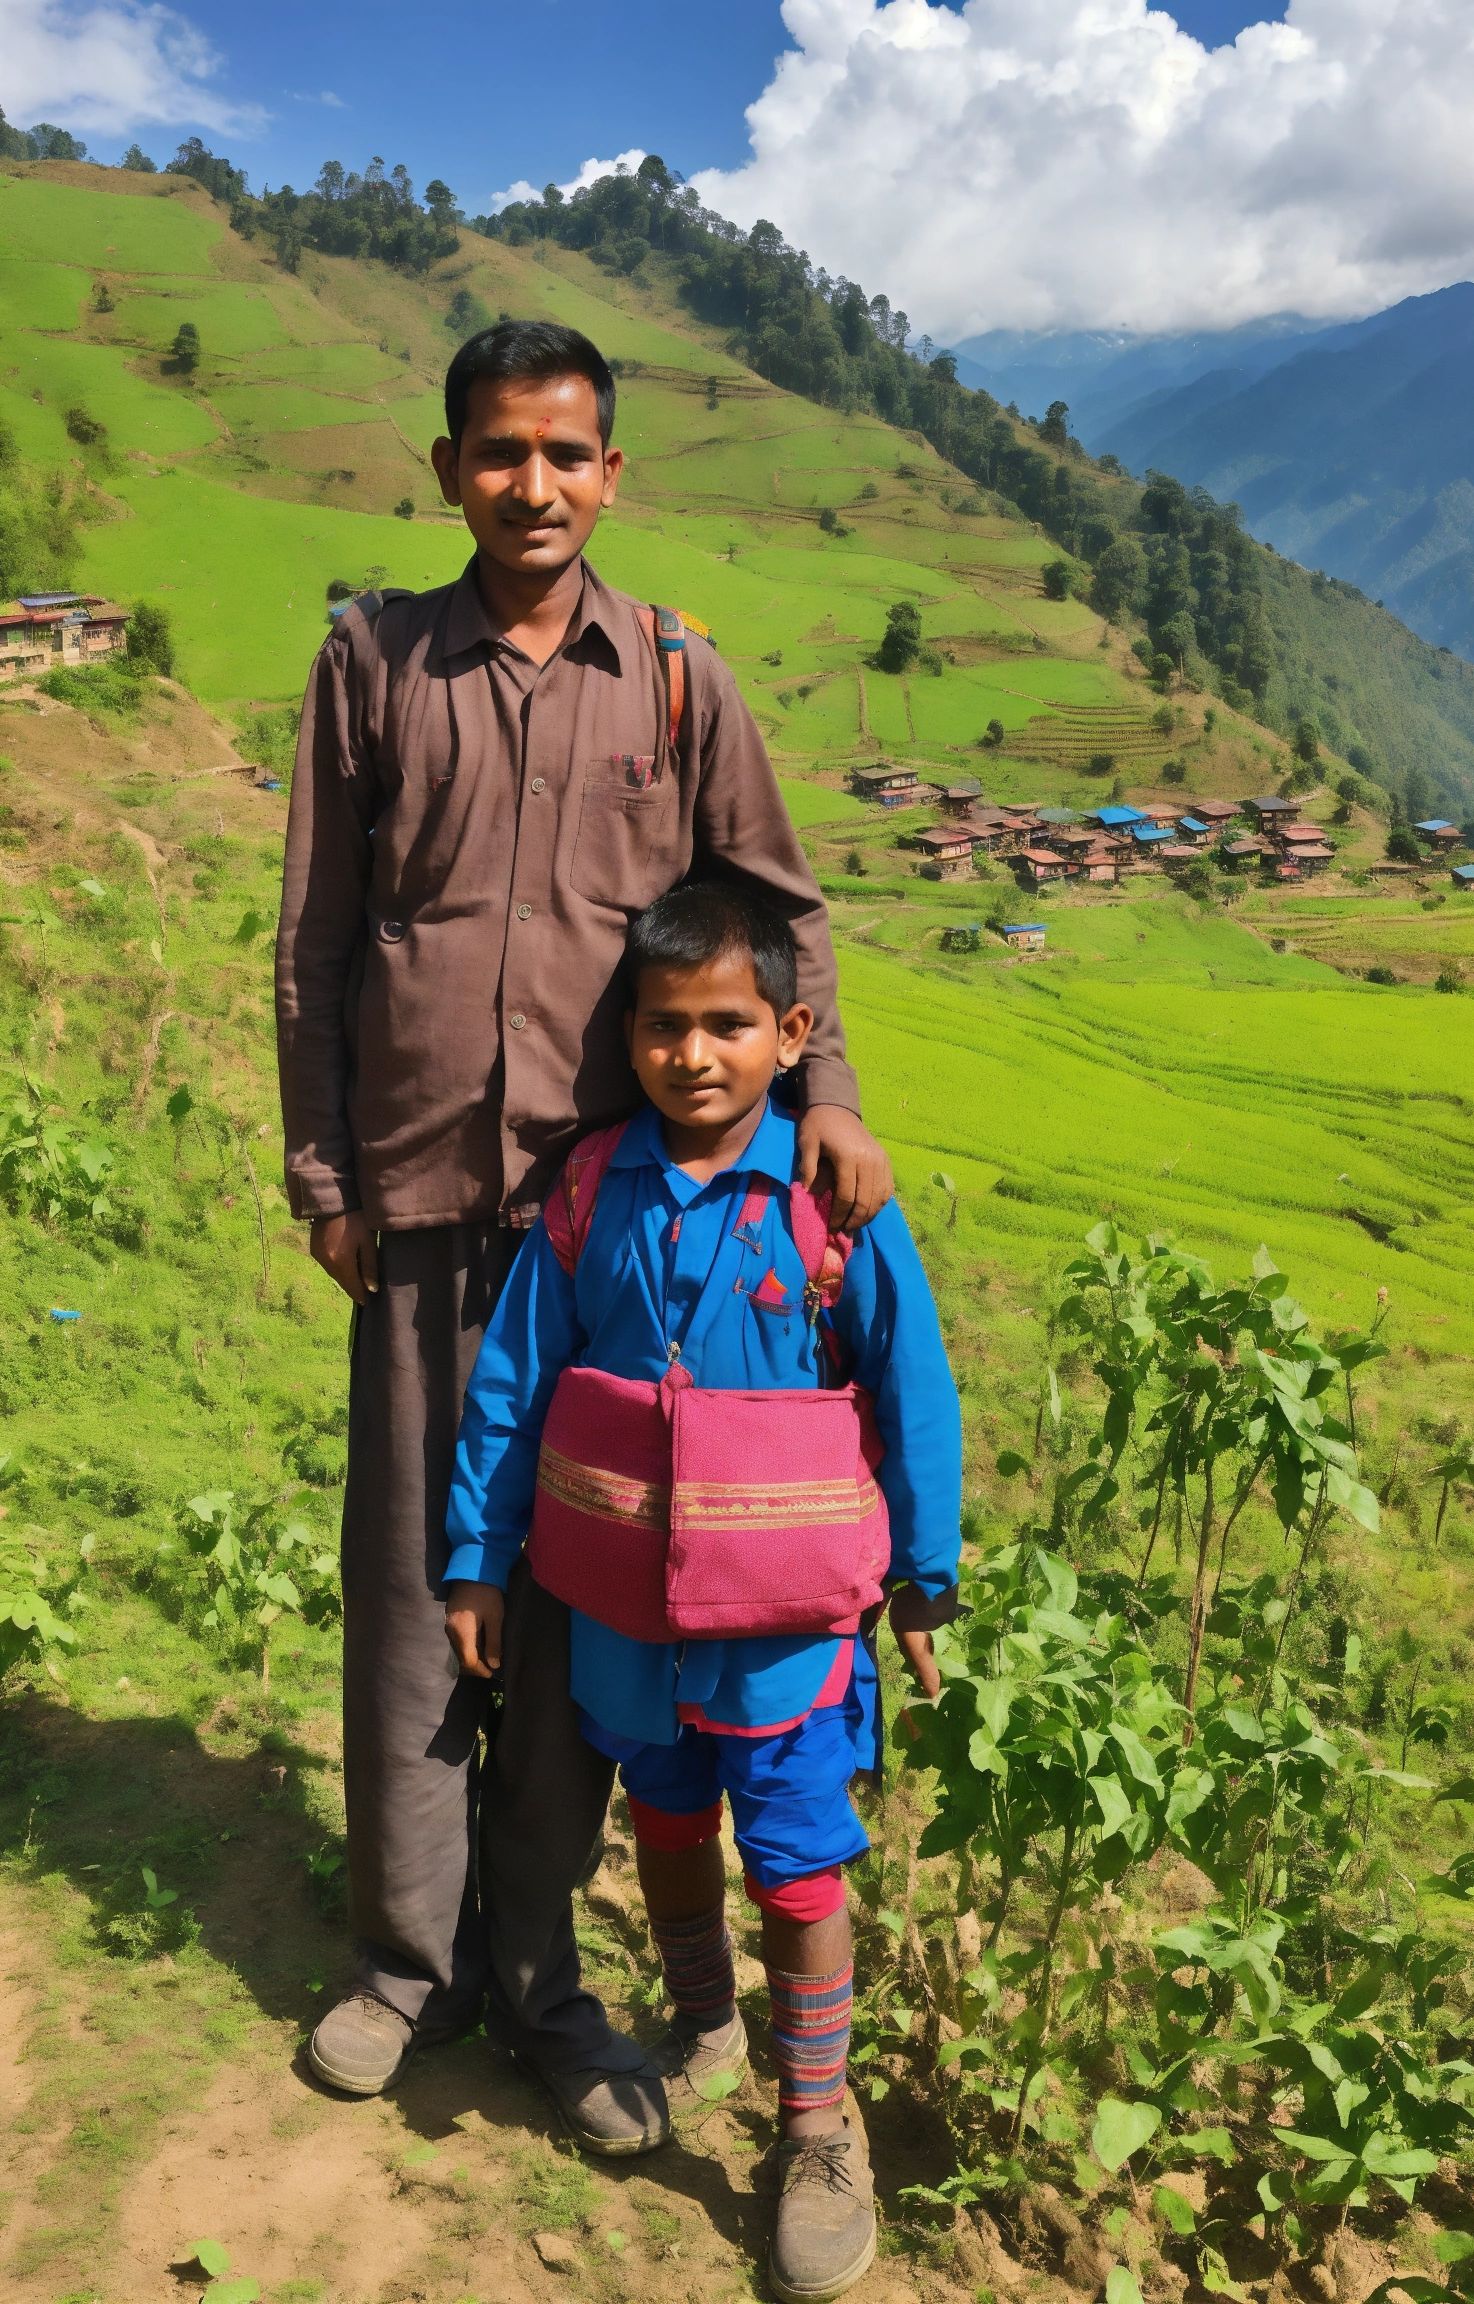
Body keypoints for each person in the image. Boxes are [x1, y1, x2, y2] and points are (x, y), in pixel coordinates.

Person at [275, 316, 895, 2141]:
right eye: (496, 452)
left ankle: (542, 1983)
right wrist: (326, 1178)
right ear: (447, 467)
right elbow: (317, 941)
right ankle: (408, 1966)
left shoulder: (679, 683)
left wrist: (829, 1096)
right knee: (415, 1596)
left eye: (564, 454)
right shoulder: (374, 666)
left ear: (612, 474)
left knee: (570, 1598)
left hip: (616, 1248)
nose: (529, 485)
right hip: (418, 1208)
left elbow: (782, 913)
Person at [443, 882, 962, 2303]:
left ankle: (815, 2123)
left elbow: (911, 1386)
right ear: (631, 1034)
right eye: (665, 1026)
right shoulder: (587, 1194)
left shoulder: (830, 1200)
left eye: (729, 1024)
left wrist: (923, 1583)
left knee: (795, 1866)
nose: (695, 1053)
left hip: (785, 1637)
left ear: (791, 1032)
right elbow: (514, 1388)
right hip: (627, 1626)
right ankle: (703, 2020)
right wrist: (480, 1561)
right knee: (667, 1826)